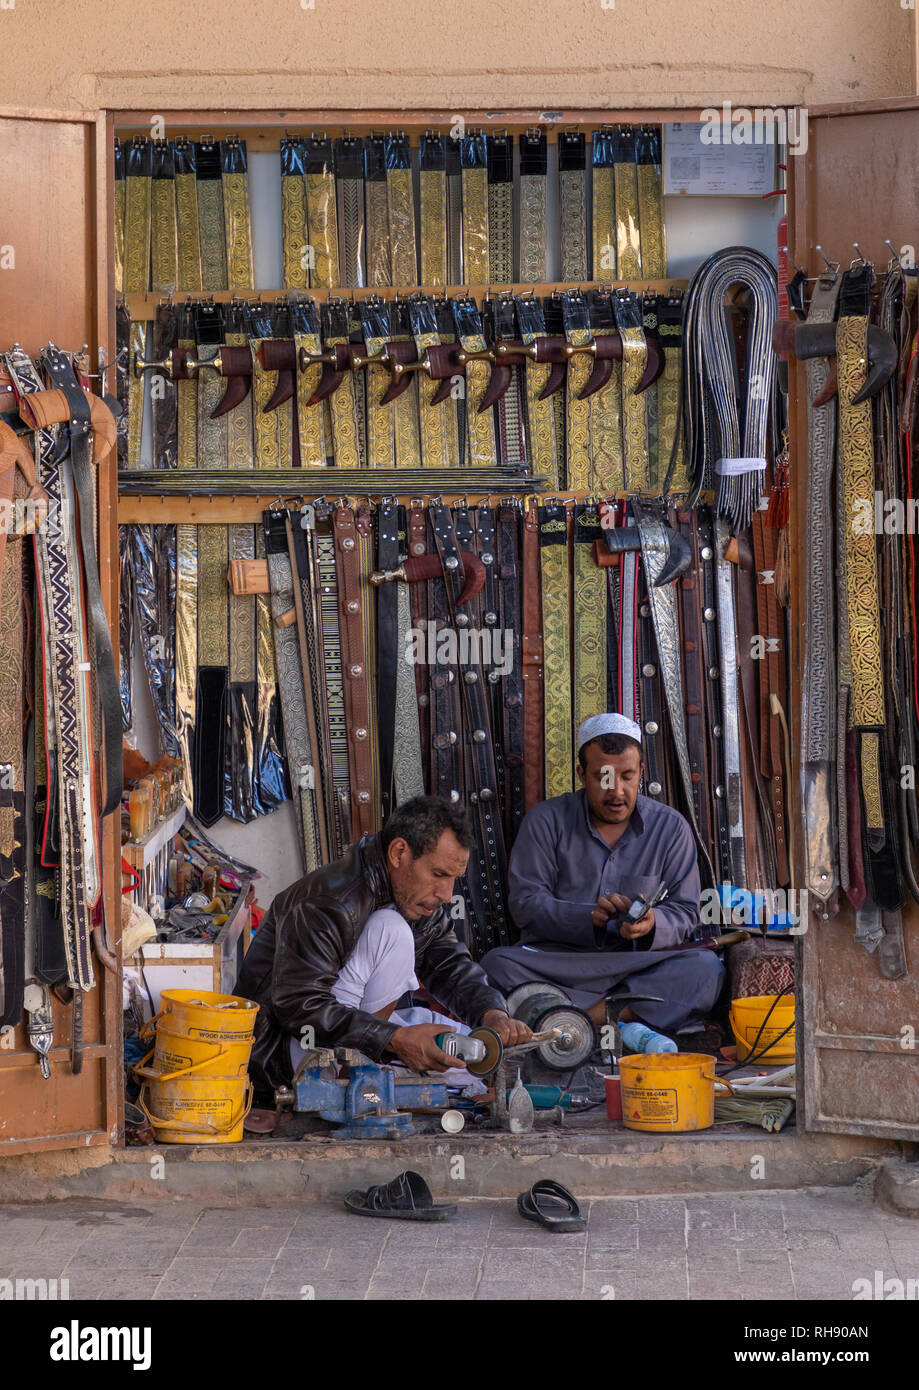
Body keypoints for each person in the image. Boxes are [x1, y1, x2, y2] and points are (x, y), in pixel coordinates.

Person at [236, 795, 532, 1102]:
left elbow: (449, 964)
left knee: (468, 1056)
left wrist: (492, 1013)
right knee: (390, 930)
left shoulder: (411, 893)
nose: (446, 894)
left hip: (345, 1033)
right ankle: (352, 1072)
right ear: (399, 852)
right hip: (281, 1053)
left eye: (454, 879)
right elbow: (300, 1006)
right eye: (439, 875)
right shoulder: (329, 902)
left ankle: (368, 1064)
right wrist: (395, 1039)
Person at [481, 713, 725, 1055]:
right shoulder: (546, 821)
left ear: (641, 771)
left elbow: (686, 911)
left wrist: (653, 924)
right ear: (582, 774)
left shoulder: (670, 828)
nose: (617, 791)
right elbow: (526, 904)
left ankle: (577, 1020)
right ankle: (616, 1018)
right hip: (559, 963)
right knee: (496, 964)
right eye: (603, 777)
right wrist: (588, 918)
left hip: (636, 963)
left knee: (704, 969)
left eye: (627, 776)